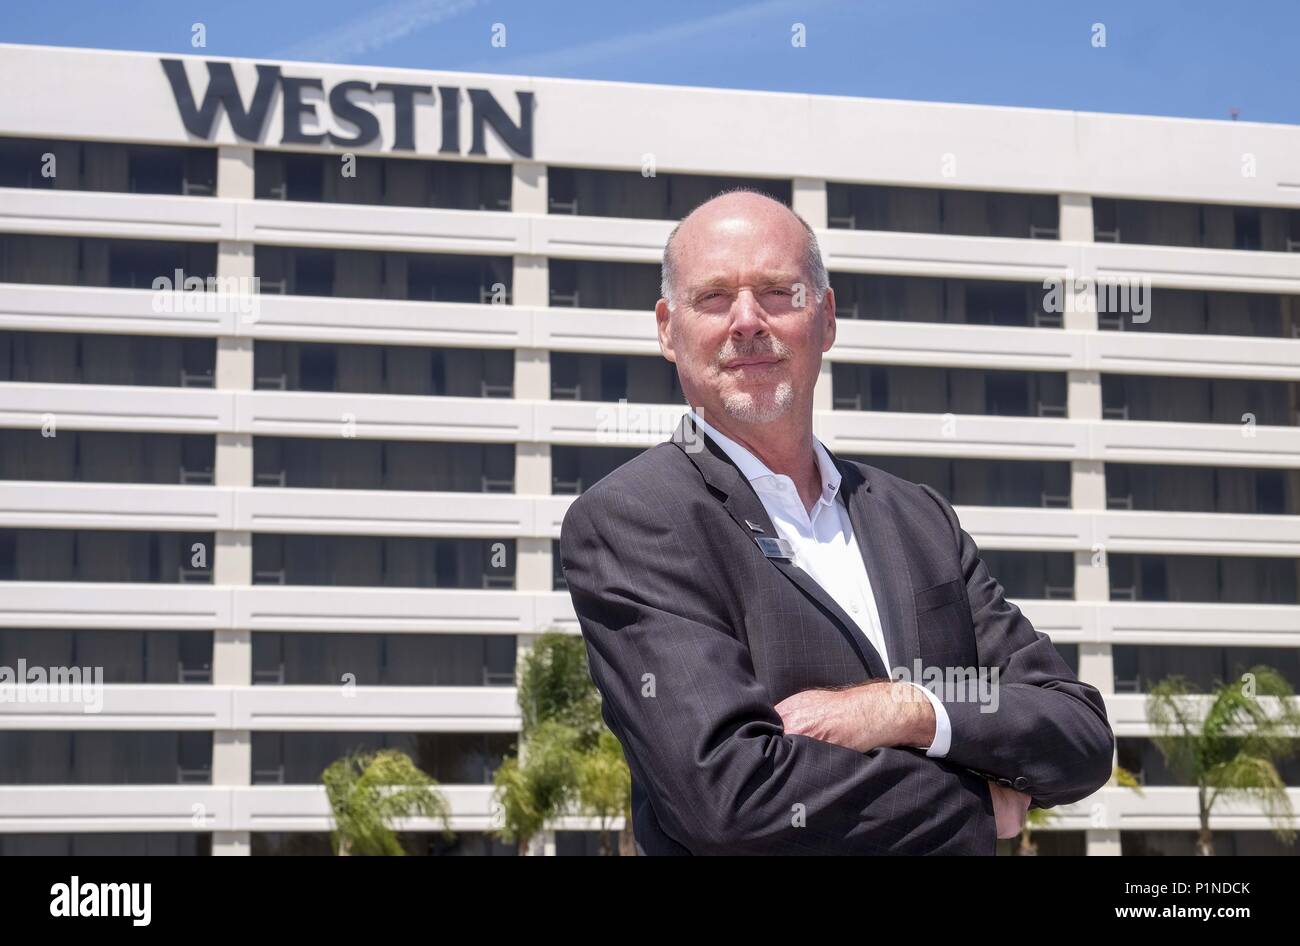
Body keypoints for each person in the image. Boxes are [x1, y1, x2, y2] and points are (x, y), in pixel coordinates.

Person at [559, 189, 1114, 855]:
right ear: (667, 330)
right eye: (713, 298)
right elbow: (729, 798)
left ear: (825, 319)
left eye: (776, 292)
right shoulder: (633, 518)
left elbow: (1078, 732)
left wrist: (906, 711)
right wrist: (973, 803)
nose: (746, 321)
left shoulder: (919, 520)